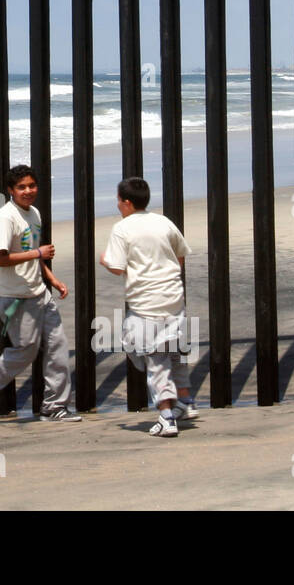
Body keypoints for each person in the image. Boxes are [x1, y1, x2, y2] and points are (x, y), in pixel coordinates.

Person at [0, 164, 81, 422]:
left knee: (58, 347)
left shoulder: (34, 213)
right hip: (14, 297)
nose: (28, 191)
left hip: (39, 292)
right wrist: (38, 253)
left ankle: (54, 407)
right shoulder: (6, 218)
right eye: (21, 187)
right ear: (10, 190)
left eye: (31, 185)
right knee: (26, 351)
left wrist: (51, 278)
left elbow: (32, 252)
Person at [99, 176, 199, 438]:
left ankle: (166, 416)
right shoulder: (163, 221)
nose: (118, 204)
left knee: (154, 359)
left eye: (119, 200)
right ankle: (185, 402)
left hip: (146, 303)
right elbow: (180, 254)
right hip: (173, 297)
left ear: (127, 203)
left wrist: (104, 261)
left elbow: (117, 266)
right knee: (173, 349)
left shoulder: (123, 228)